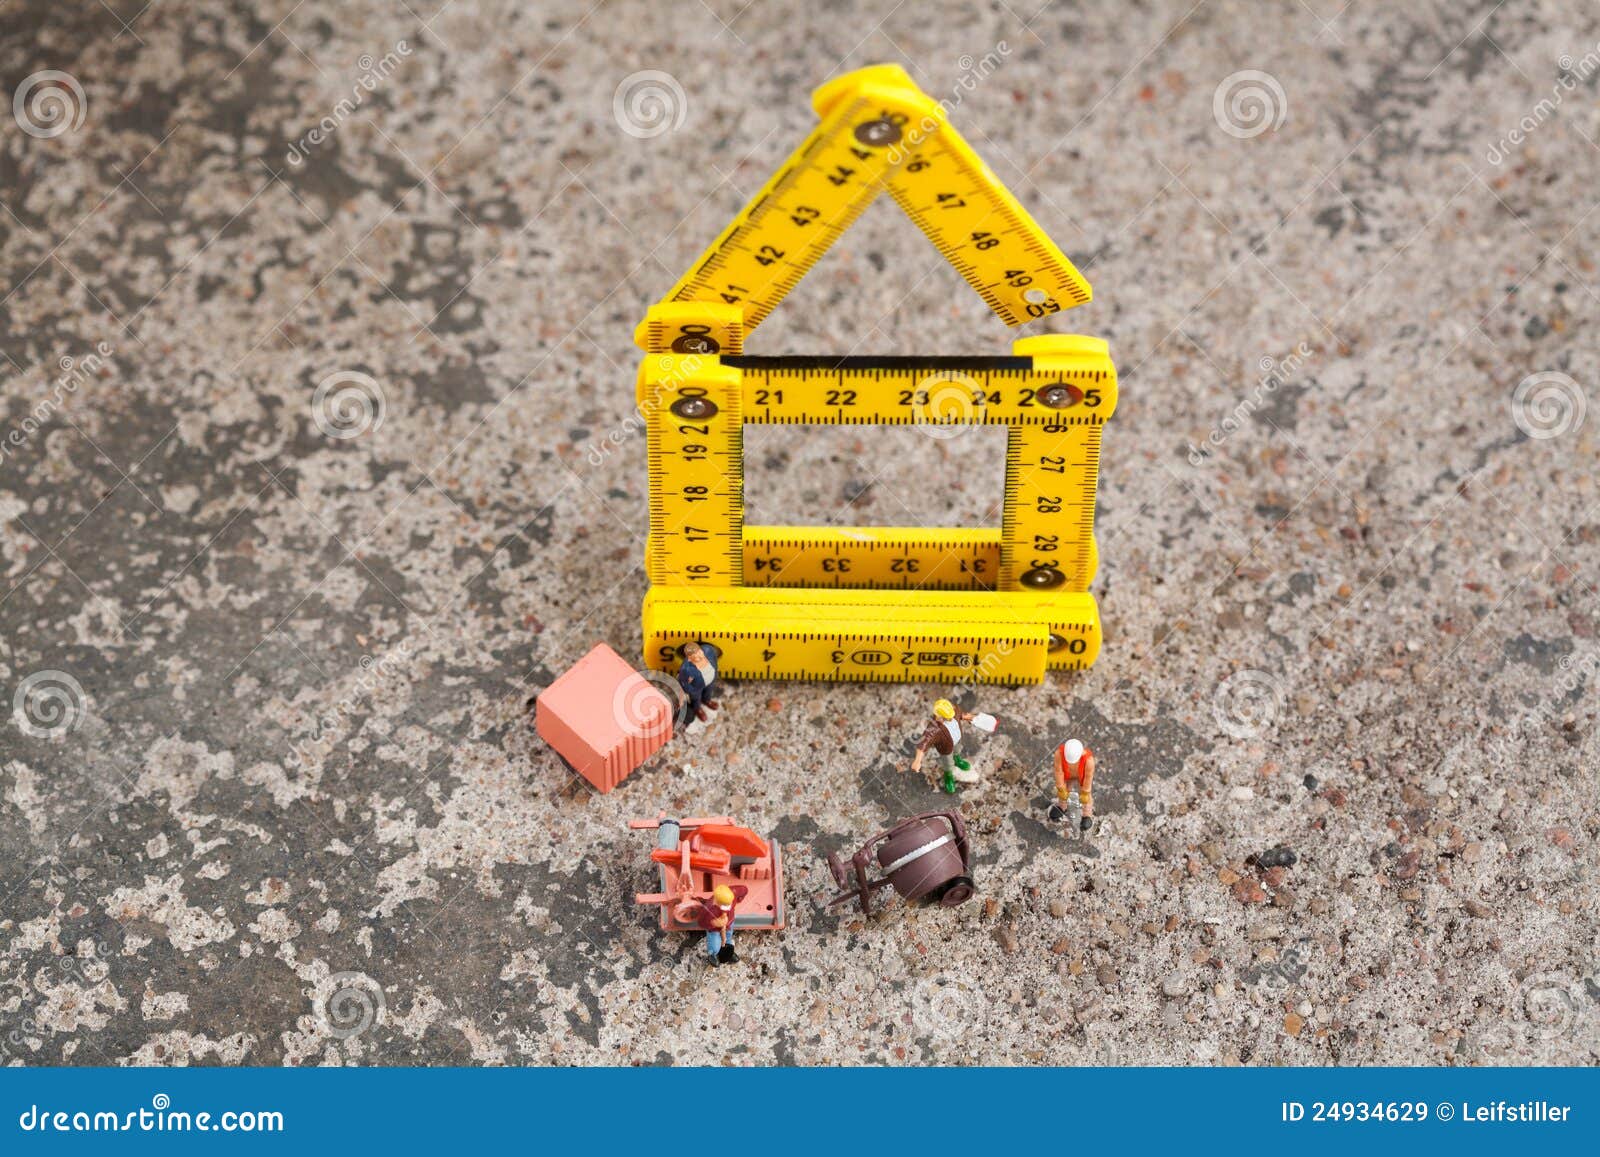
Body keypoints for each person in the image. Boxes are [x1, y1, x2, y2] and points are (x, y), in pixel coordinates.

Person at [910, 699, 978, 793]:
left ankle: (958, 760)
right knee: (948, 763)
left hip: (957, 740)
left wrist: (969, 717)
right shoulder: (934, 727)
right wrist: (917, 760)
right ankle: (948, 775)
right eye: (947, 718)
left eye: (951, 716)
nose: (950, 719)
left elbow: (961, 714)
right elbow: (924, 742)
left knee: (958, 751)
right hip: (946, 748)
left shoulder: (953, 712)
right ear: (938, 716)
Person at [1050, 738, 1096, 831]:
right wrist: (1061, 788)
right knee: (1063, 793)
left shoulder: (1089, 761)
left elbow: (1088, 777)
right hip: (1067, 776)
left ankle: (1087, 814)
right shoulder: (1059, 754)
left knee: (1086, 798)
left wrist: (1085, 792)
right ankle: (1062, 806)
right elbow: (1058, 771)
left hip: (1082, 778)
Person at [696, 883, 746, 964]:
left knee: (728, 937)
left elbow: (743, 889)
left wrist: (740, 898)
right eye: (724, 904)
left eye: (728, 904)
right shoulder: (709, 909)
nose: (727, 907)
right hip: (714, 929)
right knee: (714, 942)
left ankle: (728, 953)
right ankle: (713, 954)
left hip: (729, 922)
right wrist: (713, 923)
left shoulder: (733, 893)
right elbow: (701, 922)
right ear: (716, 901)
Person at [676, 641, 721, 726]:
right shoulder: (686, 668)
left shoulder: (709, 650)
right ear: (690, 658)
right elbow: (683, 682)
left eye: (699, 653)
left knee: (709, 691)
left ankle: (707, 700)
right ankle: (697, 709)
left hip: (710, 680)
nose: (699, 658)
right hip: (696, 687)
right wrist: (692, 690)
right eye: (695, 657)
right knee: (696, 699)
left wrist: (715, 673)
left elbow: (715, 659)